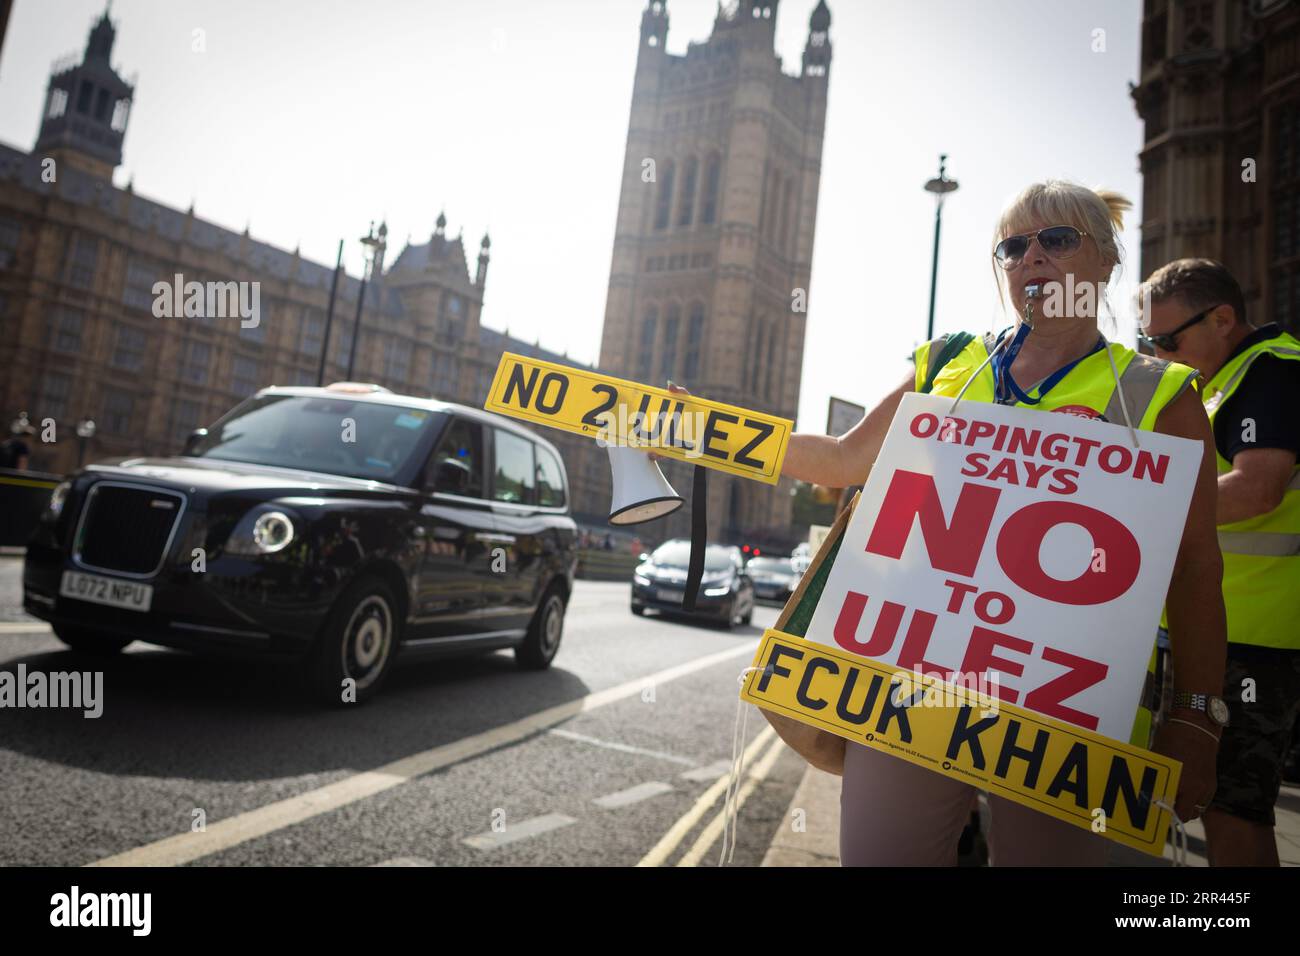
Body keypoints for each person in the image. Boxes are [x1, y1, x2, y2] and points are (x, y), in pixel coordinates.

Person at [665, 181, 1226, 865]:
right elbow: (842, 459)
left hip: (1069, 718)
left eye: (1056, 240)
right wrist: (704, 429)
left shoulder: (1158, 395)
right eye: (1014, 247)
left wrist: (1196, 717)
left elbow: (1196, 568)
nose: (1032, 258)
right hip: (908, 691)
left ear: (1106, 261)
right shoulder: (949, 364)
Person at [1138, 258, 1300, 866]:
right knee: (1222, 805)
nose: (1160, 354)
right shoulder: (1222, 382)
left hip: (1257, 636)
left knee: (1231, 812)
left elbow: (1259, 488)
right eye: (1149, 342)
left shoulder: (1271, 372)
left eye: (1168, 339)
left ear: (1223, 318)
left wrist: (1141, 513)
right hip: (1230, 627)